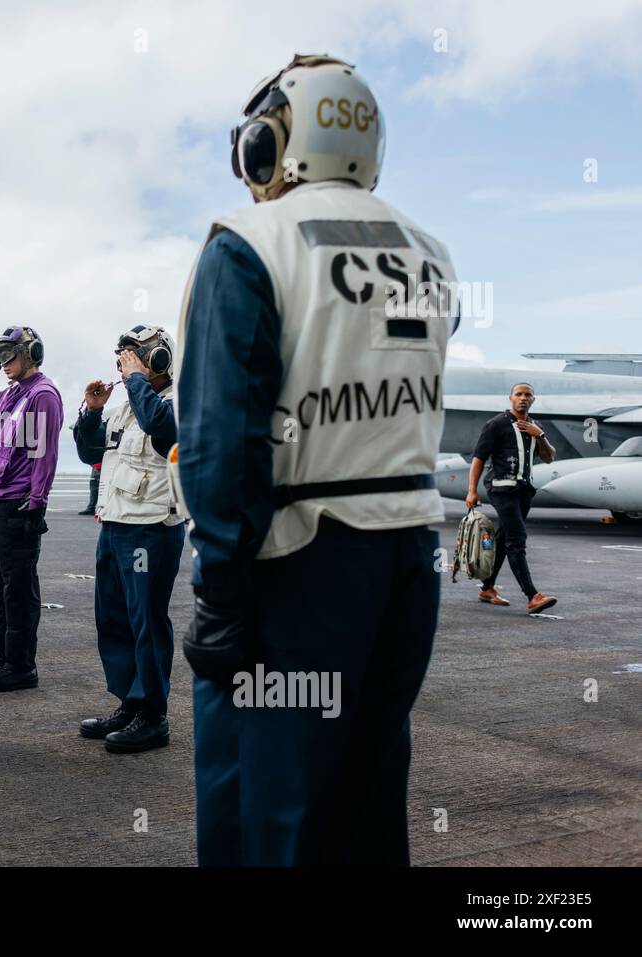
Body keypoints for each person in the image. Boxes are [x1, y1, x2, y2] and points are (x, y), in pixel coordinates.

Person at [177, 55, 456, 865]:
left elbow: (222, 439)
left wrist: (221, 588)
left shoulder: (250, 243)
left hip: (297, 558)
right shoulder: (430, 253)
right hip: (407, 556)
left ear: (278, 139)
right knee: (371, 794)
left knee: (269, 807)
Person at [74, 325, 184, 753]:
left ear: (157, 359)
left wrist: (137, 379)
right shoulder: (123, 408)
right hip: (116, 523)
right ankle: (129, 703)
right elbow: (90, 453)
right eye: (123, 359)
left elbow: (162, 425)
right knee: (114, 618)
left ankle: (153, 716)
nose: (125, 366)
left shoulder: (179, 402)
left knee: (147, 623)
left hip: (153, 527)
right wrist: (92, 410)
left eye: (134, 358)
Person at [0, 326, 64, 692]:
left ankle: (22, 667)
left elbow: (46, 455)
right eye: (0, 355)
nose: (4, 363)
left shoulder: (42, 396)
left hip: (17, 506)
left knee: (18, 589)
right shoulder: (11, 394)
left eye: (10, 355)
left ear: (32, 352)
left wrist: (37, 503)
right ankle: (5, 657)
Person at [466, 383, 558, 613]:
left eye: (528, 395)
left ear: (533, 399)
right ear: (511, 398)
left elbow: (549, 458)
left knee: (504, 539)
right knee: (517, 539)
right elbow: (478, 459)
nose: (523, 398)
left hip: (524, 491)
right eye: (519, 394)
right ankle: (532, 595)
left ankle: (487, 588)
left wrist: (541, 436)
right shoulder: (496, 425)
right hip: (501, 488)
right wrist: (471, 491)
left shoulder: (536, 426)